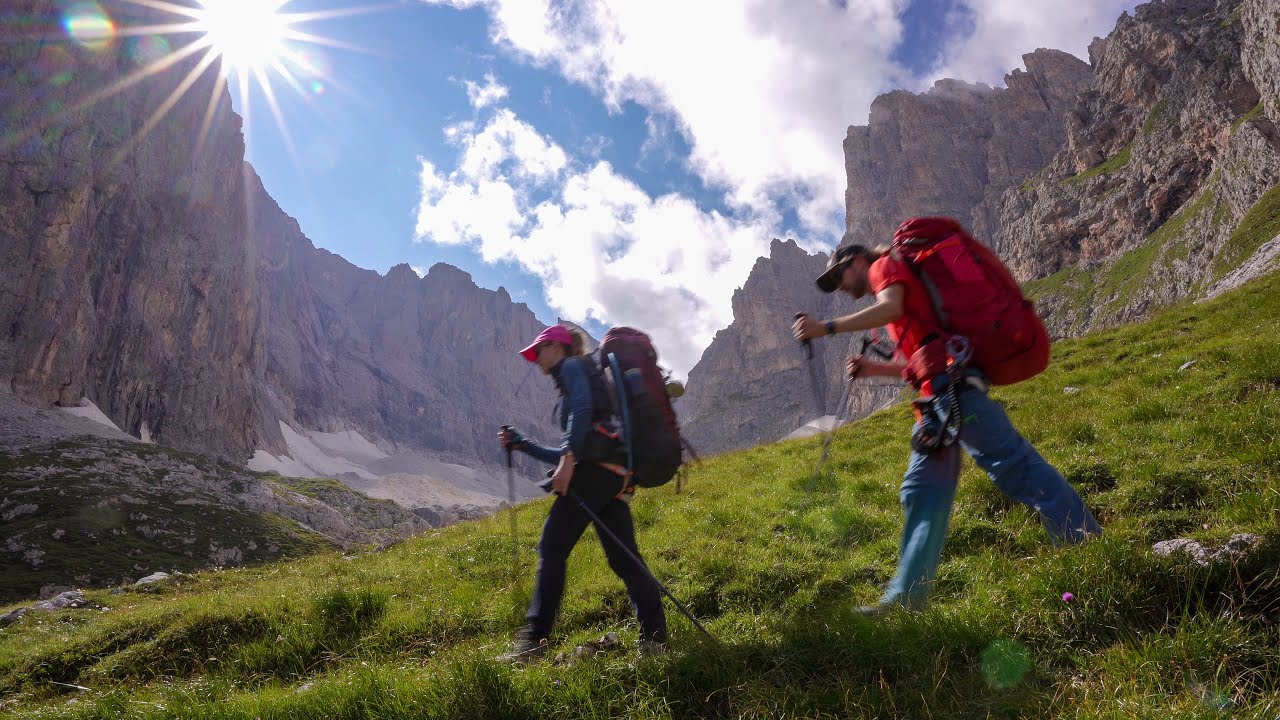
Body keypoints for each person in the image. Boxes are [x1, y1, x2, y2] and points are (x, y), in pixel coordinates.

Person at [792, 227, 1101, 615]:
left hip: (954, 393)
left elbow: (891, 309)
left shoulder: (883, 267)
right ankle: (906, 600)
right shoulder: (900, 290)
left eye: (839, 275)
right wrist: (875, 369)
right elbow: (924, 360)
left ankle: (1087, 546)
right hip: (936, 398)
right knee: (920, 491)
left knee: (1014, 467)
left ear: (856, 262)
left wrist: (826, 328)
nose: (840, 286)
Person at [497, 324, 667, 661]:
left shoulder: (574, 366)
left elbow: (582, 413)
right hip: (613, 475)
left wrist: (569, 458)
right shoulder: (584, 376)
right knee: (624, 559)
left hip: (593, 474)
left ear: (558, 347)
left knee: (552, 547)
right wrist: (524, 445)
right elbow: (581, 442)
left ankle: (534, 642)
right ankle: (655, 639)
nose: (536, 358)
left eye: (540, 350)